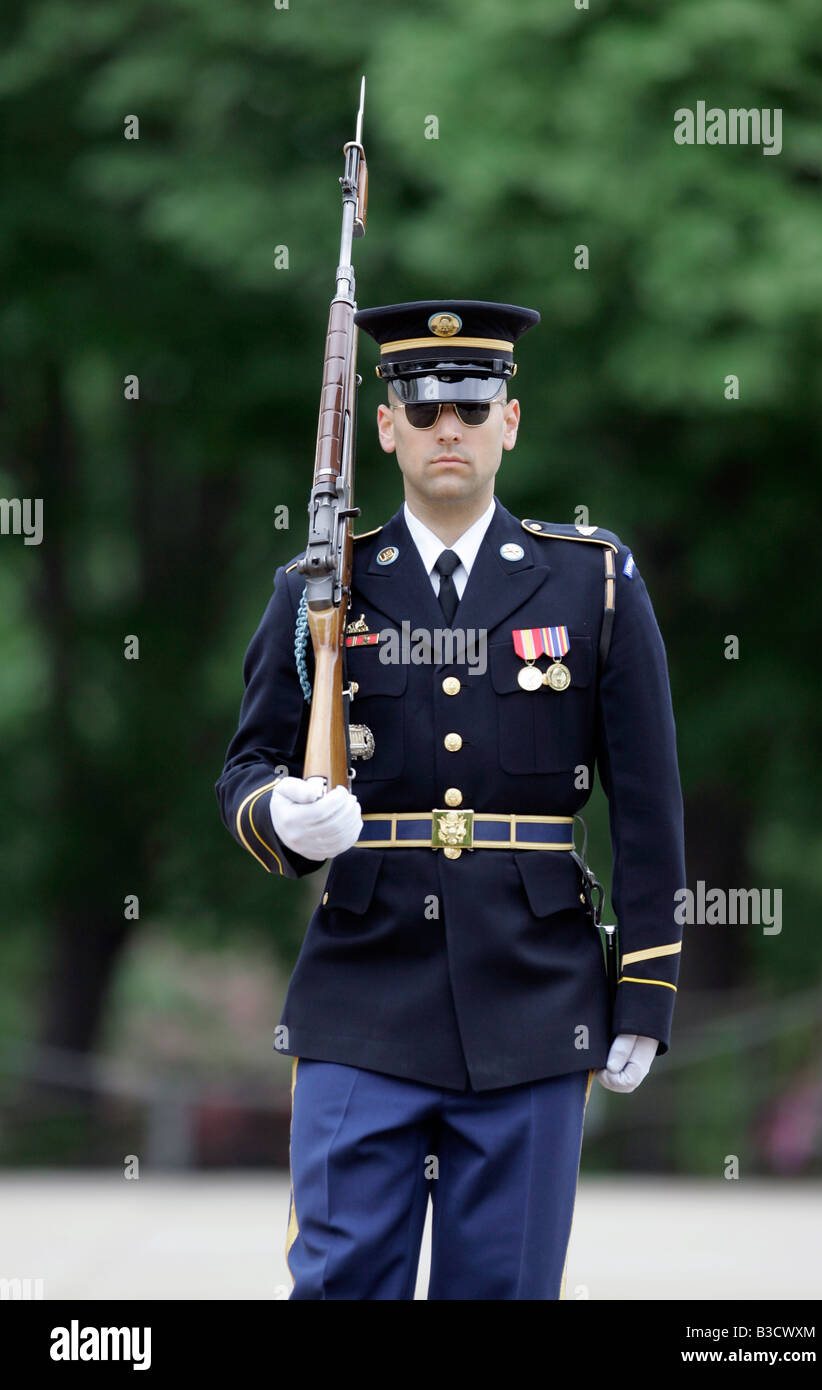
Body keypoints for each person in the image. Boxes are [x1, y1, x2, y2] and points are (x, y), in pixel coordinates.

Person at [215, 299, 685, 1300]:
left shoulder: (592, 584)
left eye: (470, 408)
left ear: (507, 423)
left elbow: (647, 805)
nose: (446, 429)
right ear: (383, 426)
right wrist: (282, 820)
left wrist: (644, 988)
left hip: (532, 998)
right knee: (340, 1281)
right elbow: (245, 767)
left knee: (503, 1290)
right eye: (421, 408)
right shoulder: (321, 587)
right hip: (360, 999)